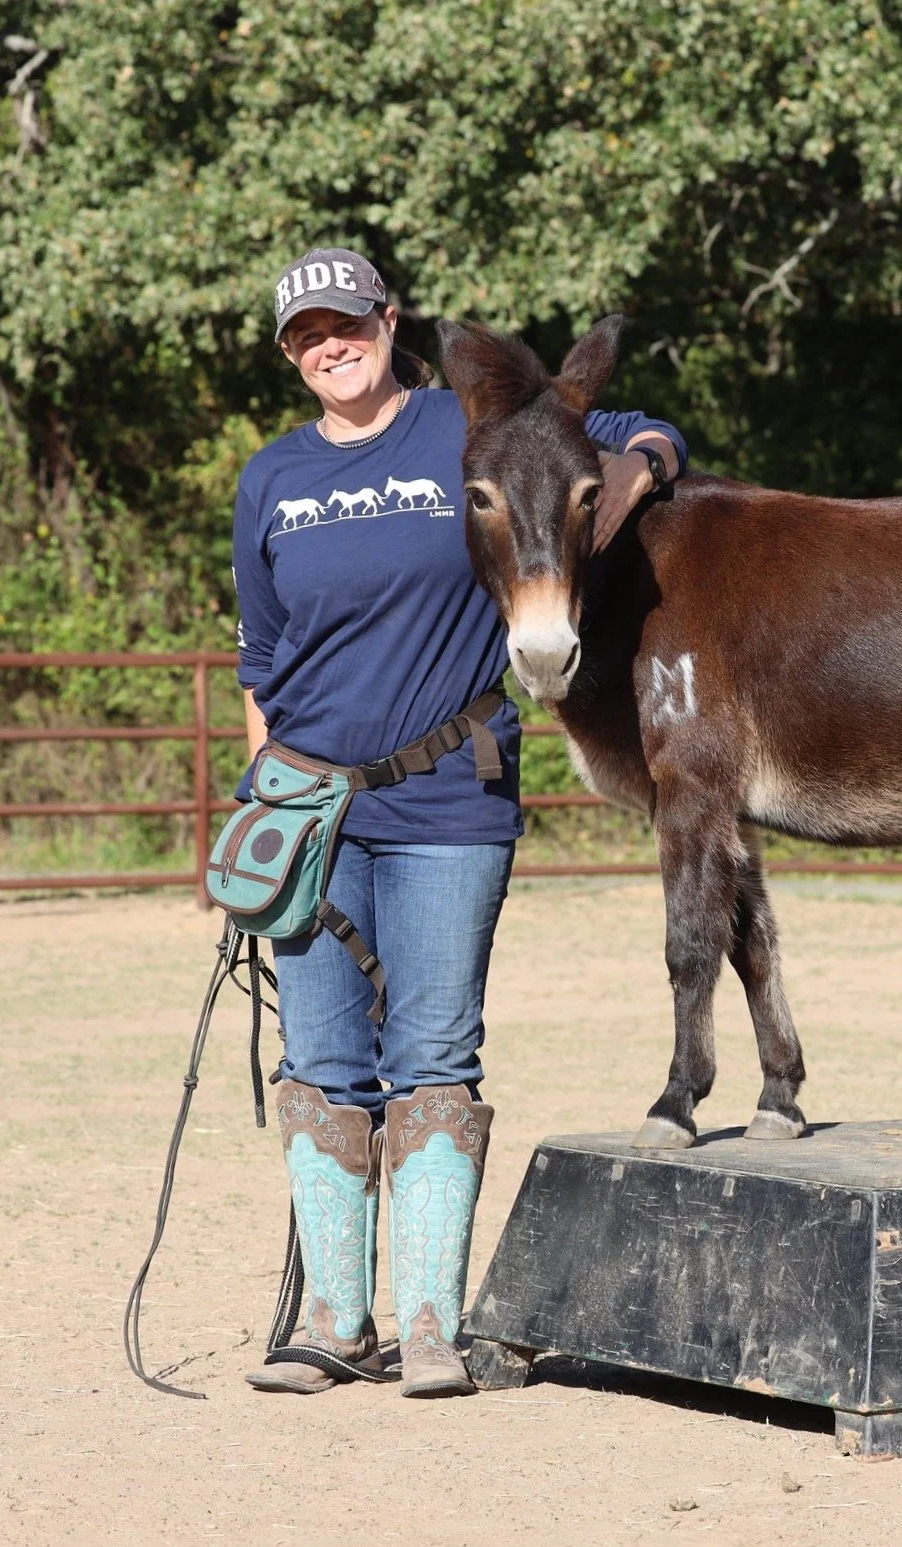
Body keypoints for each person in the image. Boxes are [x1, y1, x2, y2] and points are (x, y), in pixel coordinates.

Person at [233, 247, 685, 1397]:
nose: (328, 347)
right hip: (307, 805)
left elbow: (625, 428)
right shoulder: (270, 480)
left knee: (433, 1051)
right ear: (289, 353)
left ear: (388, 323)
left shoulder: (464, 427)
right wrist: (260, 815)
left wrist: (640, 471)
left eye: (346, 323)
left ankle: (428, 1322)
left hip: (447, 797)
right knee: (322, 1058)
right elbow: (261, 658)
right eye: (304, 336)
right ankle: (338, 1320)